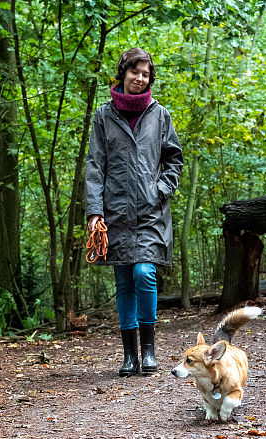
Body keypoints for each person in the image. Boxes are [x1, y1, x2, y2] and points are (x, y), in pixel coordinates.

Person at [85, 47, 183, 376]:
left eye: (145, 74)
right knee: (124, 280)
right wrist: (94, 212)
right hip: (114, 214)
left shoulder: (160, 115)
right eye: (134, 72)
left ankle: (150, 350)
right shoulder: (103, 116)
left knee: (144, 273)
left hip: (152, 212)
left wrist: (160, 189)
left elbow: (174, 160)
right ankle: (130, 356)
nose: (140, 79)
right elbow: (95, 167)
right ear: (123, 74)